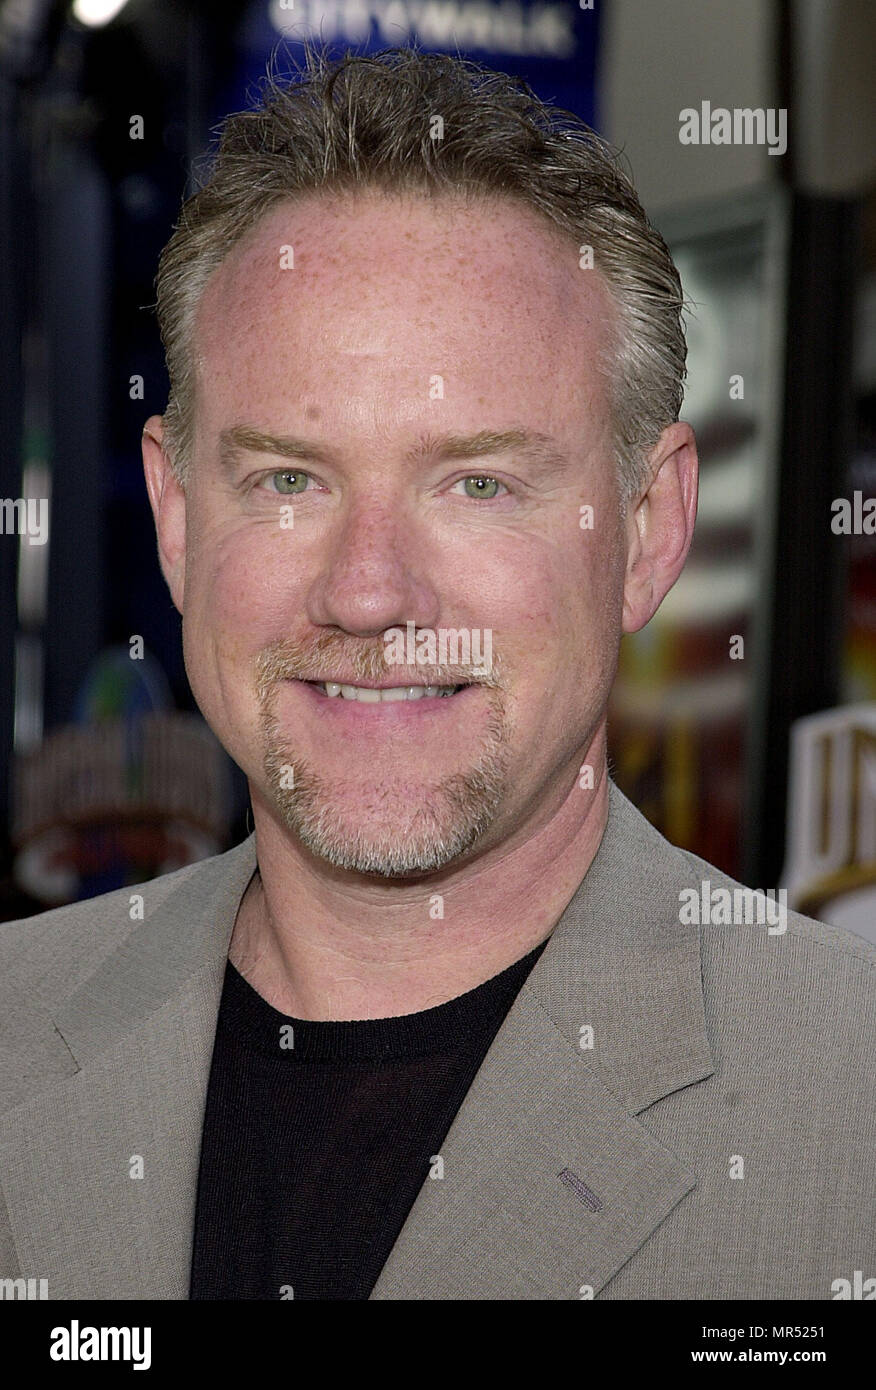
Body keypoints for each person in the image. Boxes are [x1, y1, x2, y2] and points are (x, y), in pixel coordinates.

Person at [1, 45, 872, 1302]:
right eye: (288, 479)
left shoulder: (850, 1113)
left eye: (477, 484)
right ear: (178, 519)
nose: (368, 592)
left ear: (649, 529)